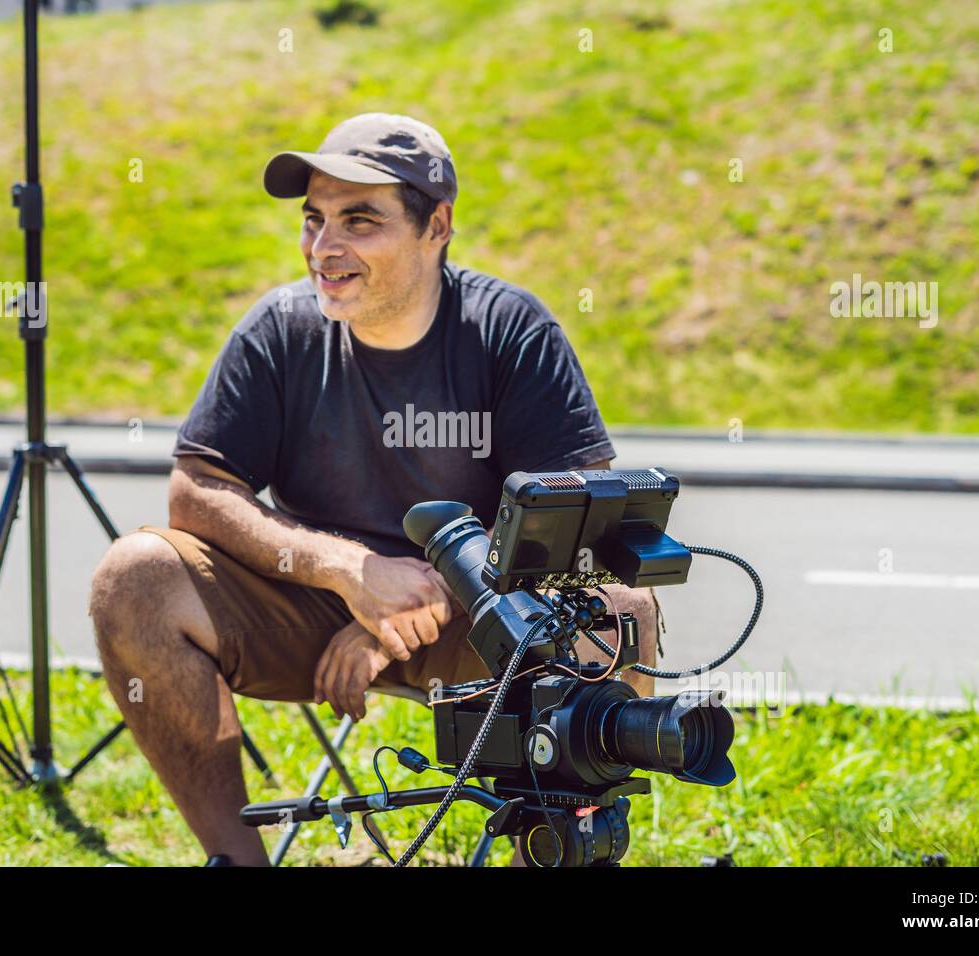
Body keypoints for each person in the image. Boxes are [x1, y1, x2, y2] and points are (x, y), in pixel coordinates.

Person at [88, 112, 661, 866]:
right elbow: (198, 488)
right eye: (315, 220)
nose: (326, 249)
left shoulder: (509, 330)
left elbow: (582, 521)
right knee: (135, 578)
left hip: (483, 621)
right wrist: (348, 575)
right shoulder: (280, 330)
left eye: (360, 220)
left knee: (618, 612)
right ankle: (236, 858)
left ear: (438, 226)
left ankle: (552, 854)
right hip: (314, 611)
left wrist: (407, 610)